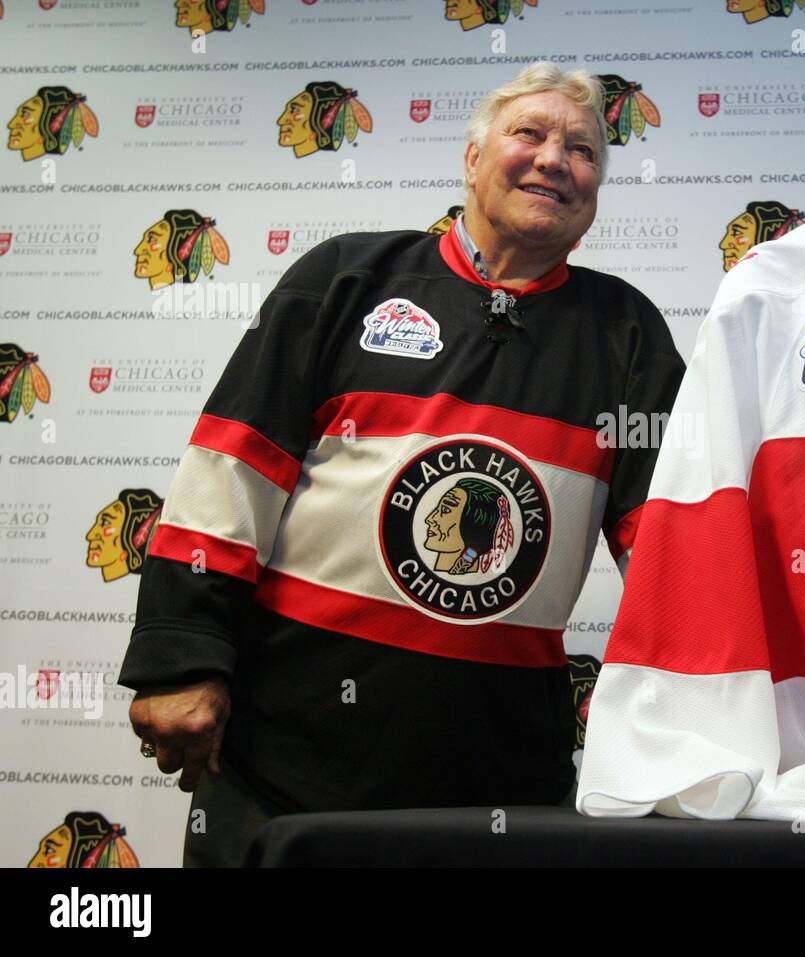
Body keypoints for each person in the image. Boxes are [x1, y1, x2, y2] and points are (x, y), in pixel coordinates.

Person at [120, 61, 685, 866]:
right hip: (279, 774)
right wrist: (181, 652)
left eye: (584, 149)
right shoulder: (347, 280)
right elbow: (231, 472)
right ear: (472, 157)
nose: (555, 159)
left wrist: (713, 707)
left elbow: (667, 545)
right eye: (529, 133)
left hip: (501, 796)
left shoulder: (626, 336)